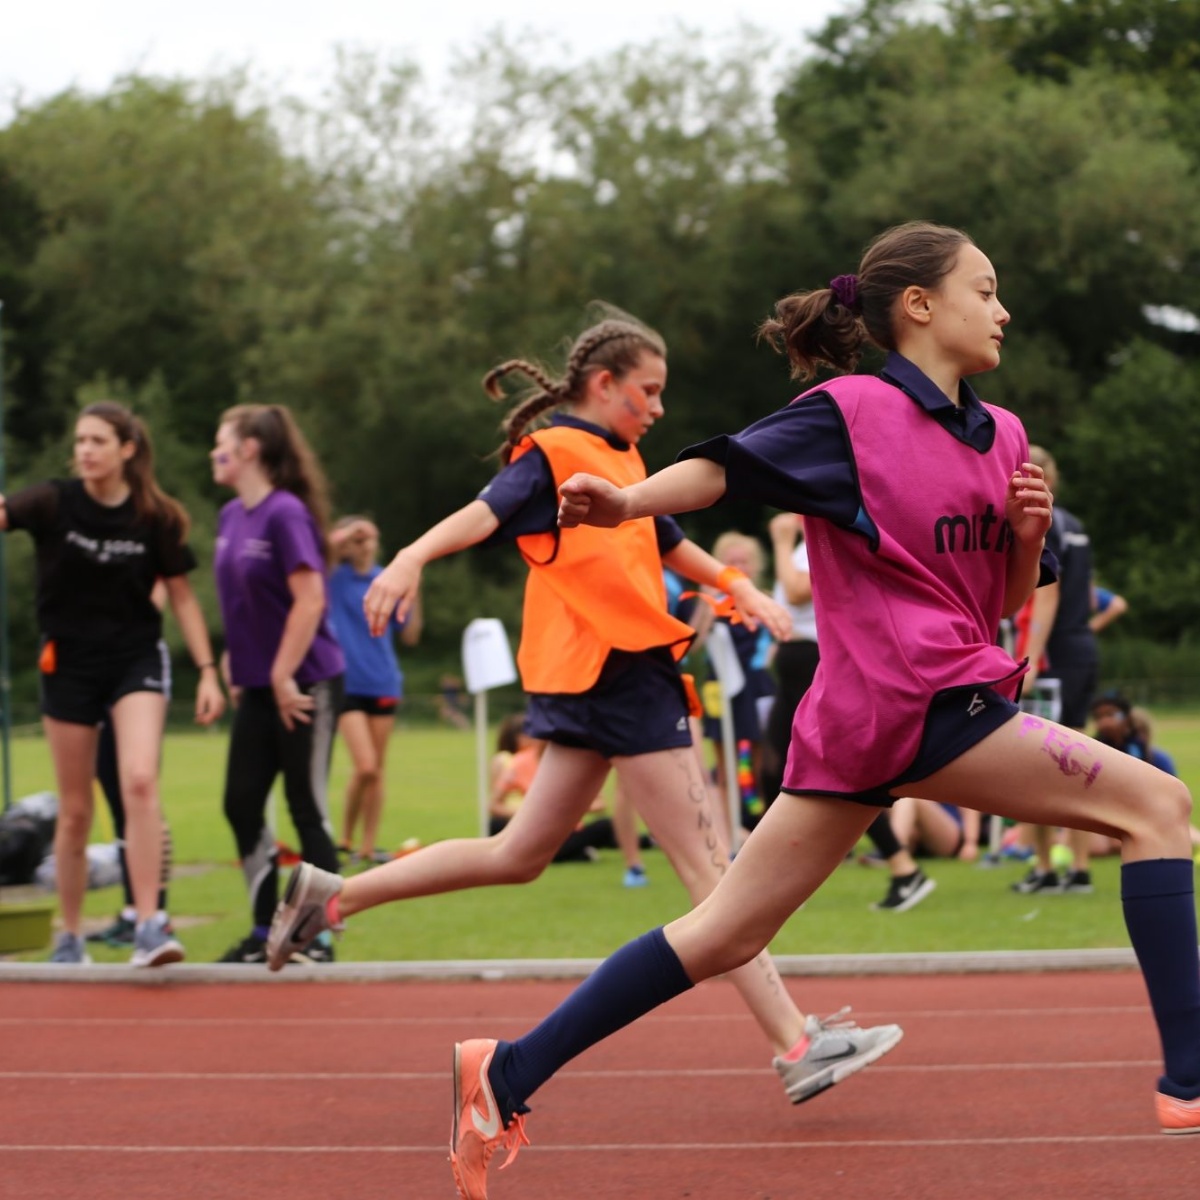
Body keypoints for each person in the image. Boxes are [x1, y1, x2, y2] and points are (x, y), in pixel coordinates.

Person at [432, 221, 1199, 1196]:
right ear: (919, 305)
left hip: (881, 718)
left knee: (721, 935)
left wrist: (1023, 536)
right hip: (916, 700)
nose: (1003, 311)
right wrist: (626, 507)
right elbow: (724, 468)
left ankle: (502, 1073)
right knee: (1158, 807)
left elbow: (1002, 605)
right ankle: (1190, 1080)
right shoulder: (851, 413)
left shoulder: (1004, 437)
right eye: (985, 290)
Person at [268, 310, 902, 1107]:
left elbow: (666, 541)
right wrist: (411, 555)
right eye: (649, 391)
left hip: (588, 676)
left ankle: (334, 895)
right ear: (605, 385)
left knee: (519, 853)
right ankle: (797, 1044)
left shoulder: (621, 457)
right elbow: (486, 512)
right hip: (622, 673)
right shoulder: (554, 453)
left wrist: (735, 584)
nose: (659, 408)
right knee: (710, 871)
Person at [0, 401, 225, 966]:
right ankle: (71, 938)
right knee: (76, 810)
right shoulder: (53, 501)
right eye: (80, 440)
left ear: (127, 448)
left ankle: (149, 924)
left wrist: (207, 671)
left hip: (134, 660)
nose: (85, 450)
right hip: (68, 665)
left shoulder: (155, 516)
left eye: (97, 440)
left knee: (140, 782)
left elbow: (181, 597)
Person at [211, 404, 345, 965]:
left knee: (305, 806)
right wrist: (232, 655)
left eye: (221, 442)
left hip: (305, 682)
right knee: (241, 803)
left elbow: (310, 600)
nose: (213, 452)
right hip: (260, 685)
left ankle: (319, 936)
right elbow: (245, 599)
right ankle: (266, 929)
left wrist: (284, 671)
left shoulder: (285, 513)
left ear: (250, 449)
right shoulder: (230, 516)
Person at [766, 511, 936, 913]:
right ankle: (779, 881)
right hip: (794, 666)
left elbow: (796, 592)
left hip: (814, 663)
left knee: (833, 772)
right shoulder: (807, 542)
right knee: (775, 769)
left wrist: (780, 542)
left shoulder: (826, 536)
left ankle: (902, 865)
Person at [1008, 446, 1099, 895]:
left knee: (1041, 765)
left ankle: (1045, 868)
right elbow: (1090, 595)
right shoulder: (1075, 524)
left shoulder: (1043, 523)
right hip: (1081, 650)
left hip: (1051, 658)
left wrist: (1028, 659)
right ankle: (1078, 869)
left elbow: (1047, 594)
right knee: (1081, 763)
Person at [328, 516, 423, 865]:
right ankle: (344, 840)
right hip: (345, 683)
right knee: (365, 766)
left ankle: (367, 847)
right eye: (358, 539)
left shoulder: (387, 578)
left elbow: (410, 635)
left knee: (376, 769)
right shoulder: (332, 577)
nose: (365, 545)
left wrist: (414, 587)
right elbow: (317, 550)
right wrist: (343, 537)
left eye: (369, 538)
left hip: (382, 681)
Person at [691, 530, 776, 843]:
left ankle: (762, 830)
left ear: (755, 565)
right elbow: (692, 645)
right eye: (731, 562)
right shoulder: (711, 603)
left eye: (744, 561)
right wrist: (706, 602)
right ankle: (730, 835)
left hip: (756, 687)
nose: (739, 567)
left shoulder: (763, 599)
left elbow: (776, 641)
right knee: (726, 764)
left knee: (761, 763)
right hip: (720, 688)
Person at [488, 713, 614, 862]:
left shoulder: (570, 762)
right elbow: (494, 804)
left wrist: (565, 810)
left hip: (567, 828)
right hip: (533, 826)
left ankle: (563, 852)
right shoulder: (519, 762)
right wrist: (529, 814)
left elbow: (600, 803)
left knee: (605, 826)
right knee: (496, 825)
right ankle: (571, 853)